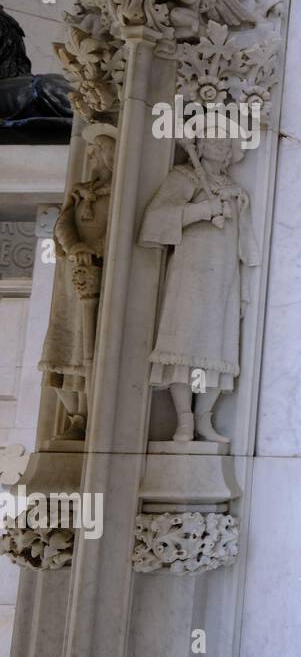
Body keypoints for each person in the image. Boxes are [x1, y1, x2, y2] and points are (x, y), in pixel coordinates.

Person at [139, 132, 259, 443]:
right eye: (213, 140)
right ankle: (183, 420)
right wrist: (202, 211)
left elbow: (245, 246)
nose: (219, 146)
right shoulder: (185, 178)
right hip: (189, 277)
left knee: (217, 347)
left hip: (223, 281)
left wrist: (244, 287)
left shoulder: (236, 193)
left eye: (225, 142)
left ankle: (204, 418)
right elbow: (154, 221)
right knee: (185, 346)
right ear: (201, 145)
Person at [38, 123, 116, 439]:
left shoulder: (118, 195)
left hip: (102, 281)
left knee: (90, 347)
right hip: (72, 283)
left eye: (101, 149)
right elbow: (62, 225)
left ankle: (90, 416)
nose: (94, 155)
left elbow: (120, 231)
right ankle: (75, 418)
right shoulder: (80, 191)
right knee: (63, 346)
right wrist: (74, 247)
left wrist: (96, 248)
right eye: (93, 149)